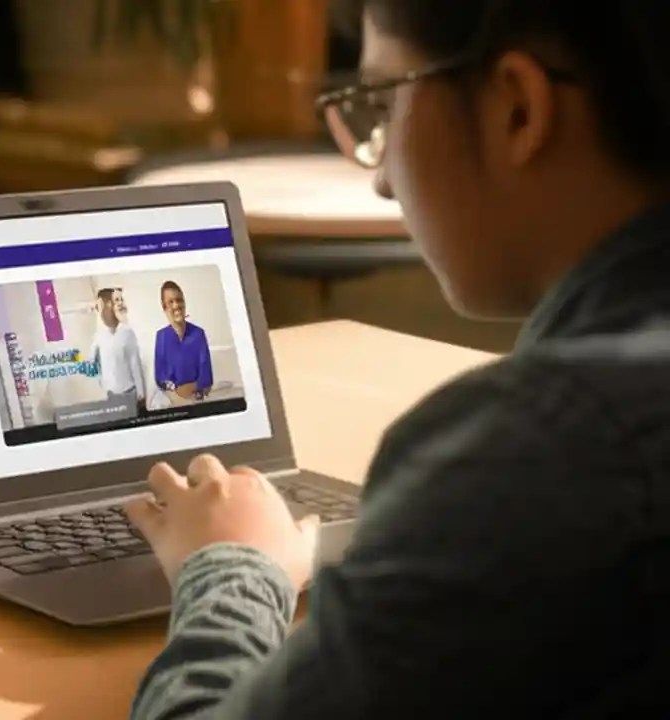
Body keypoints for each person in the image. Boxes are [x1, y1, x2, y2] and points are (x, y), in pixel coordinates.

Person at [125, 0, 670, 717]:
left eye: (382, 101)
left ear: (516, 109)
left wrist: (230, 567)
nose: (381, 179)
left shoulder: (539, 452)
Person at [89, 287, 146, 413]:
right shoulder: (99, 336)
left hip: (130, 393)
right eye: (116, 300)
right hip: (111, 395)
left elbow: (135, 364)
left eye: (121, 300)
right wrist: (101, 381)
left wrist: (141, 395)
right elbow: (91, 363)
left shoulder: (127, 332)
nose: (120, 303)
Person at [153, 281, 213, 401]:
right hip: (172, 399)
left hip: (197, 396)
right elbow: (160, 377)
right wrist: (176, 391)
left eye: (179, 300)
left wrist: (193, 389)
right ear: (164, 307)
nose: (176, 306)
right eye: (170, 302)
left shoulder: (198, 334)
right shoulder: (161, 337)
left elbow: (207, 377)